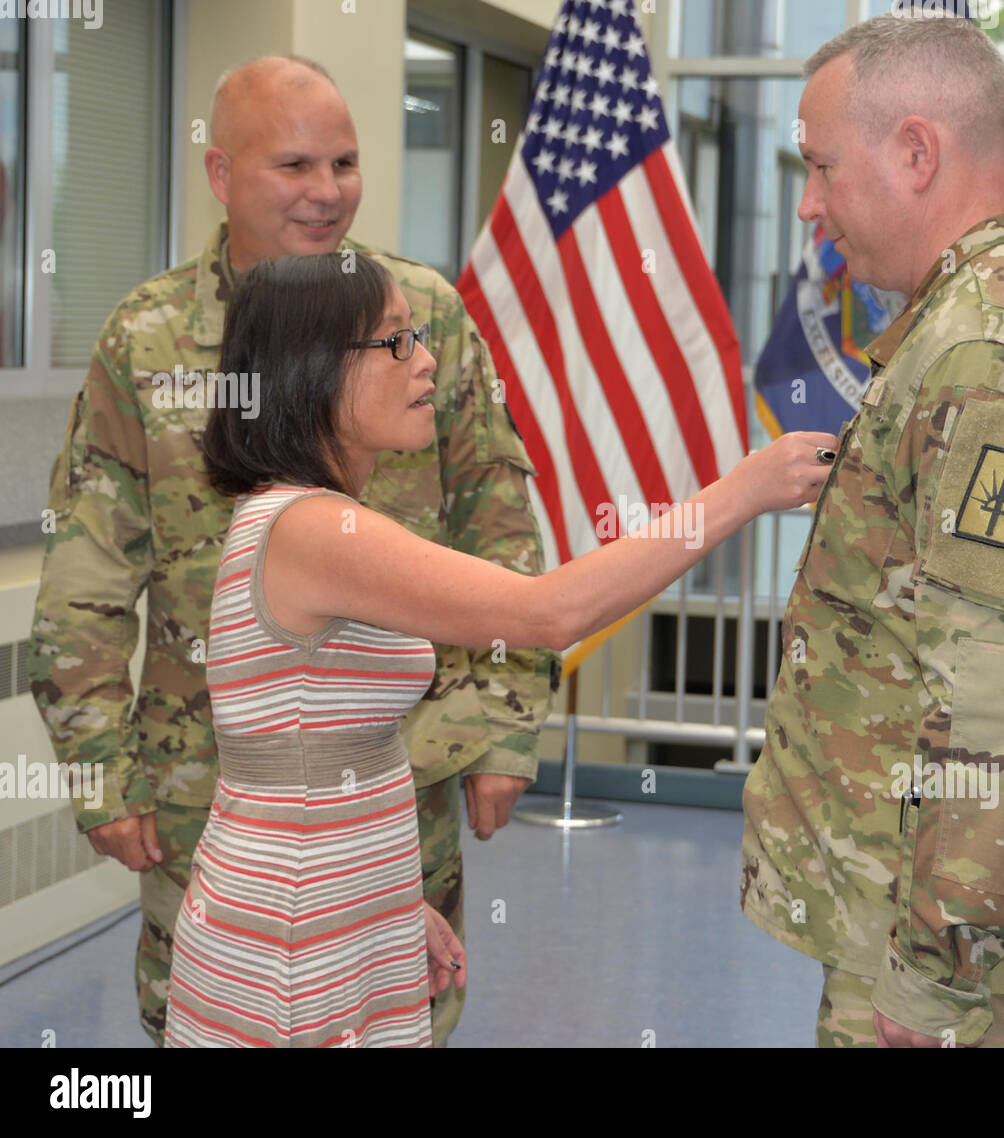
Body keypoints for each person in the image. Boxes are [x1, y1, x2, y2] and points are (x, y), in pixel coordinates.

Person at [159, 250, 837, 1046]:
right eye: (395, 342)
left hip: (342, 909)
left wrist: (386, 899)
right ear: (312, 369)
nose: (428, 359)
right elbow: (549, 614)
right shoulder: (310, 529)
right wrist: (743, 492)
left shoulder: (321, 521)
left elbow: (316, 752)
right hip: (290, 940)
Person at [29, 55, 555, 1047]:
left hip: (396, 769)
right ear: (221, 176)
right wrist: (100, 769)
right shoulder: (146, 341)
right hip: (206, 789)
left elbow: (501, 533)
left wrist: (503, 726)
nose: (327, 192)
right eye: (296, 165)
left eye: (345, 162)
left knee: (396, 1013)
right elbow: (87, 575)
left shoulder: (421, 317)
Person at [739, 14, 1004, 1048]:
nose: (810, 203)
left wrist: (938, 970)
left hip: (968, 965)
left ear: (917, 151)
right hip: (968, 931)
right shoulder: (999, 315)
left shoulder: (990, 347)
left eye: (821, 165)